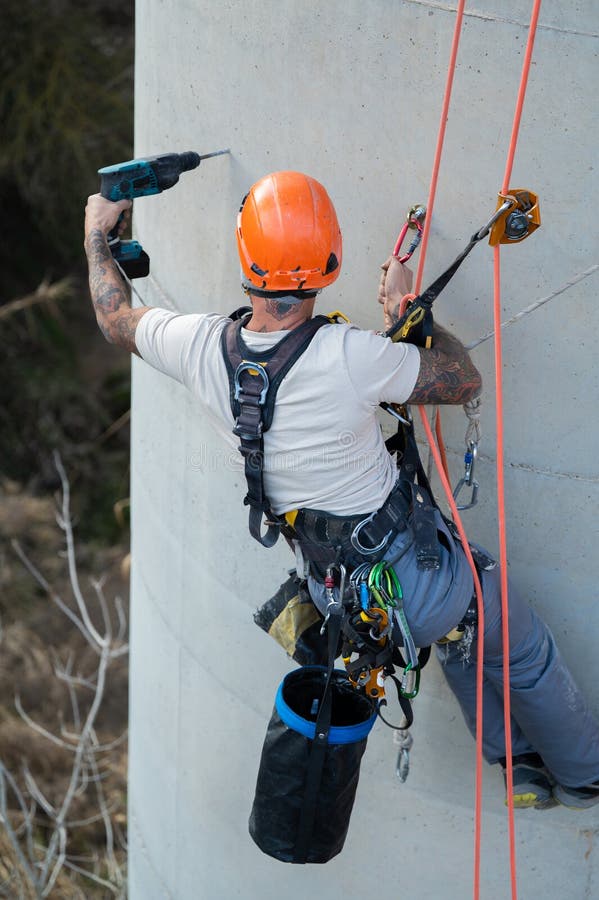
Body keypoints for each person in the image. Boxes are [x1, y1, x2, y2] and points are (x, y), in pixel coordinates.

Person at [84, 170, 599, 810]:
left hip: (339, 597)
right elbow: (461, 380)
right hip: (411, 577)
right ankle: (584, 775)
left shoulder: (196, 346)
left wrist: (97, 238)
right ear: (329, 261)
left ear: (246, 259)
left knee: (464, 624)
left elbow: (115, 318)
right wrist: (412, 316)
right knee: (516, 645)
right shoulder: (352, 356)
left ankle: (518, 766)